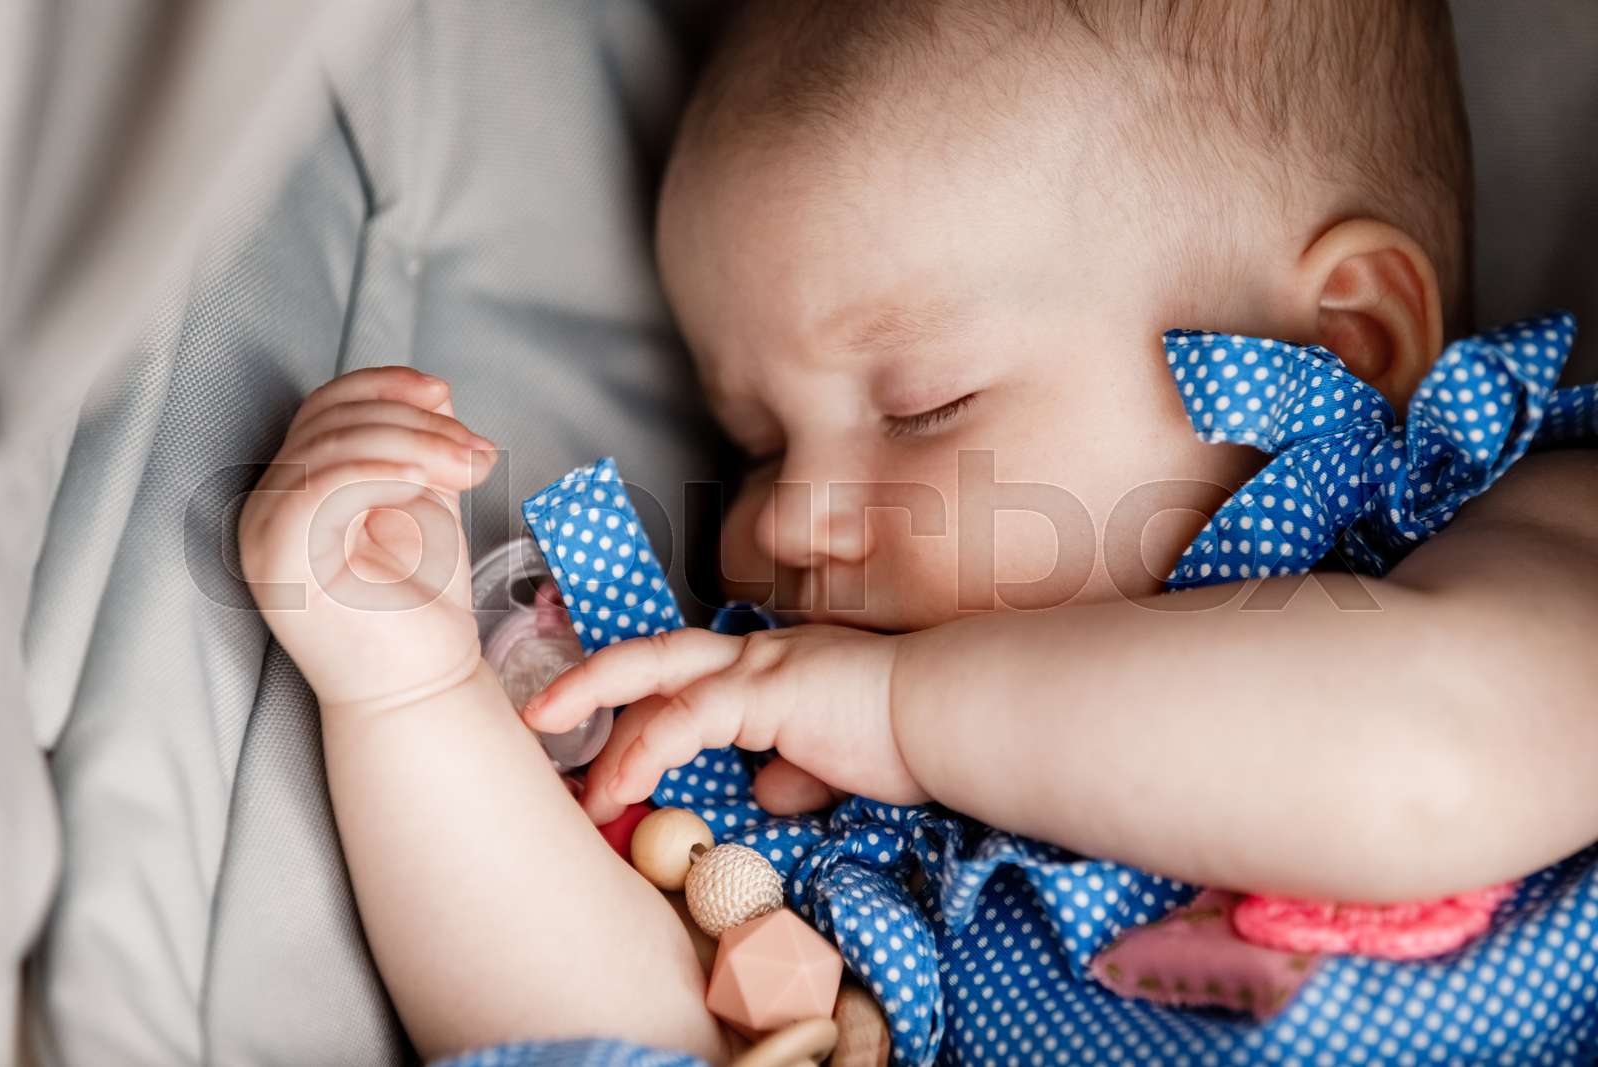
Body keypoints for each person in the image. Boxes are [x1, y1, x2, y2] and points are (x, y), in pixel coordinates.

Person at [239, 1, 1598, 1063]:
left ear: (1336, 339)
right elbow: (617, 1040)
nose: (786, 517)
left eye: (926, 406)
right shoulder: (854, 827)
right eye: (757, 443)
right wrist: (406, 699)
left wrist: (905, 709)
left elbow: (1430, 759)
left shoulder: (1520, 529)